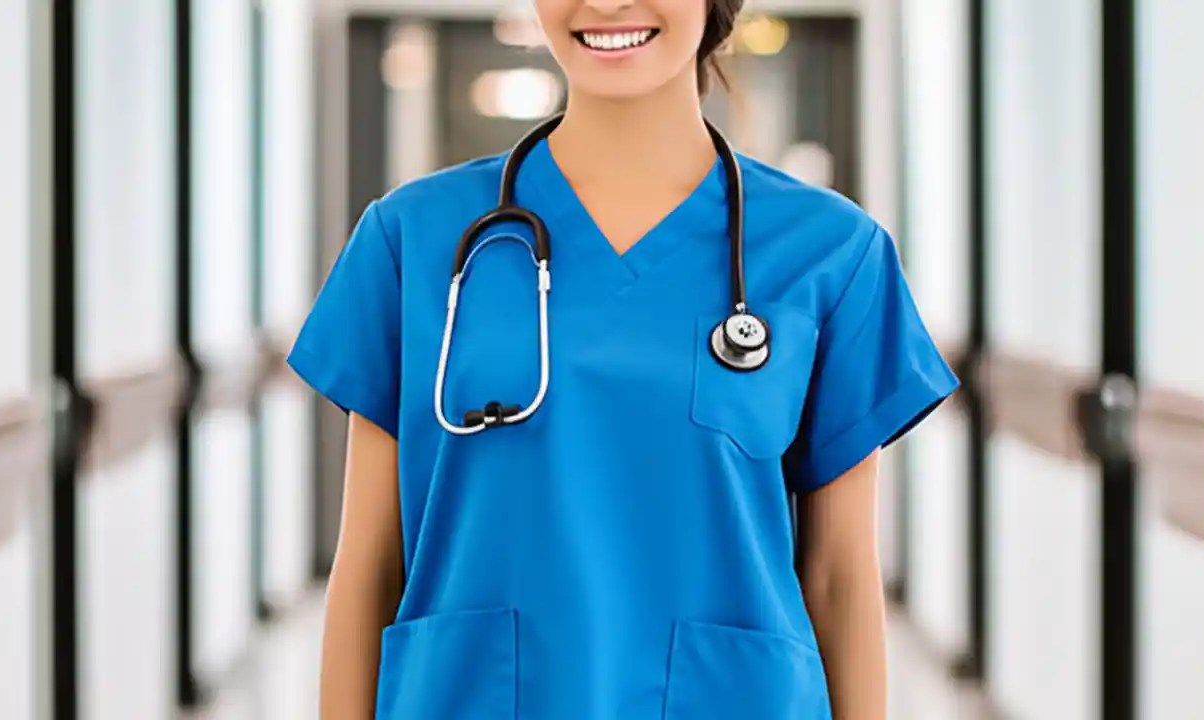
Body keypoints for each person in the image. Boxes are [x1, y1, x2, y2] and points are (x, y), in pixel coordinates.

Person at [286, 1, 960, 718]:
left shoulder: (830, 255)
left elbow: (840, 580)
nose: (607, 2)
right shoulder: (412, 241)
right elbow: (368, 565)